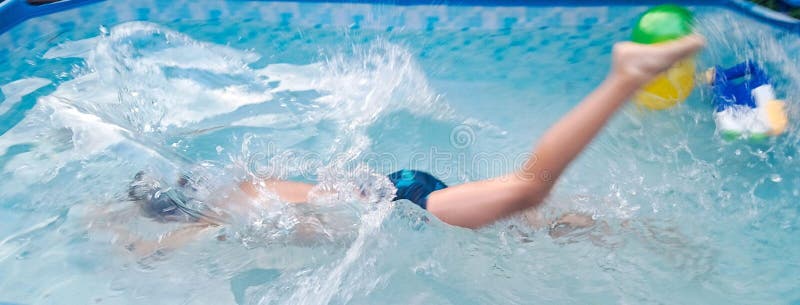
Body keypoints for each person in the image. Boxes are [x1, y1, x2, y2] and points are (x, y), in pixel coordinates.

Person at [121, 34, 706, 255]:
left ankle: (625, 75)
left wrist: (119, 232)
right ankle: (620, 229)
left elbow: (153, 251)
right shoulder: (246, 186)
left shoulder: (225, 211)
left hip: (401, 207)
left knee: (528, 188)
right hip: (399, 193)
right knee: (516, 222)